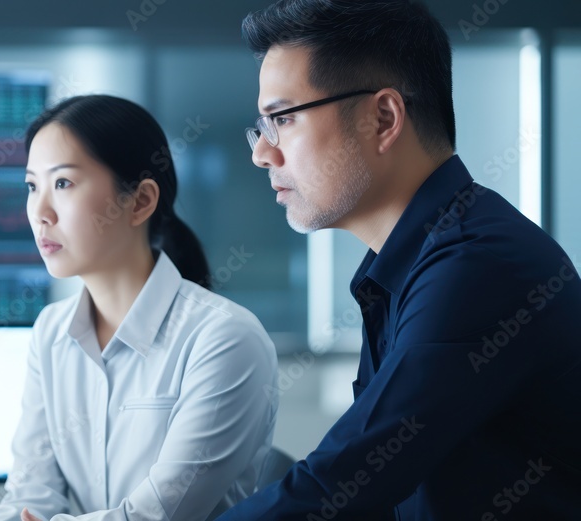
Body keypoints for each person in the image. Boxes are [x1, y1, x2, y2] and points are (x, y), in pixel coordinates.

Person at [218, 0, 581, 519]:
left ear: (383, 118)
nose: (262, 152)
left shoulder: (479, 265)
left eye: (284, 118)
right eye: (263, 125)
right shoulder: (402, 265)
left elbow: (344, 483)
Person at [0, 94, 278, 521]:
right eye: (32, 186)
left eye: (63, 183)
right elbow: (30, 497)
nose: (40, 213)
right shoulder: (51, 331)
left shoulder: (225, 339)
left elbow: (157, 516)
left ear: (139, 201)